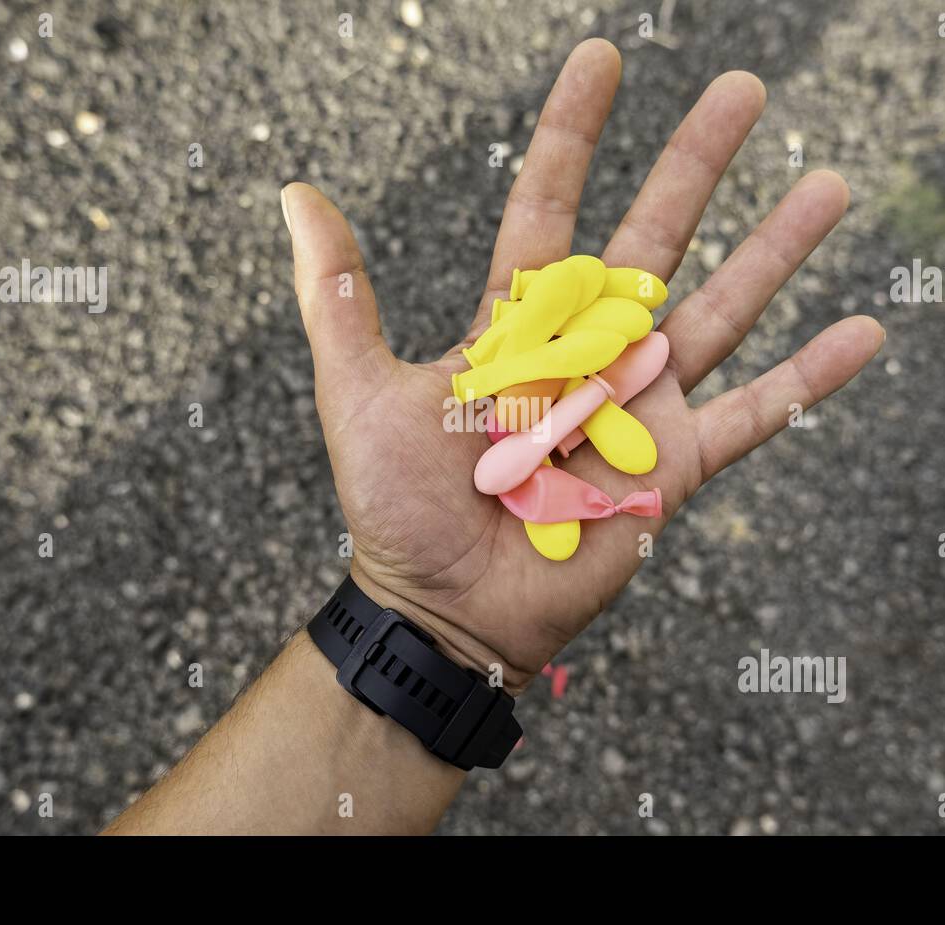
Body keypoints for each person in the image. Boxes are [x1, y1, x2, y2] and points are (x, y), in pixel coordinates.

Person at [103, 39, 884, 835]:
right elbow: (544, 419)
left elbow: (601, 360)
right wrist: (431, 612)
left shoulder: (571, 375)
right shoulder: (541, 387)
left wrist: (421, 620)